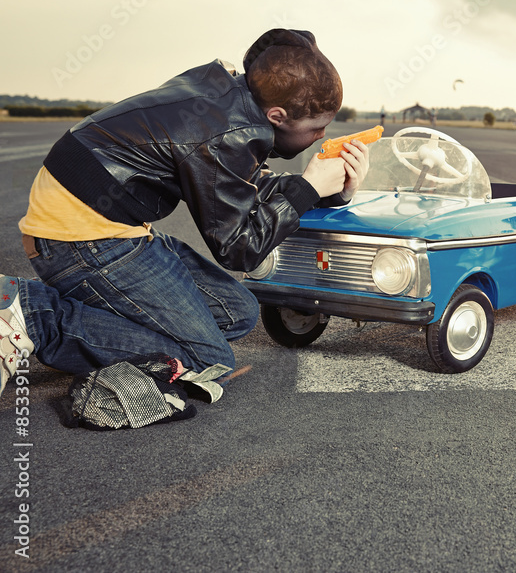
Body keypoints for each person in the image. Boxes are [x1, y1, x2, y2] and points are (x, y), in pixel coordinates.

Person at [2, 28, 370, 399]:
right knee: (207, 361)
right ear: (276, 115)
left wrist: (333, 190)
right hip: (80, 241)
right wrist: (306, 188)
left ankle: (94, 310)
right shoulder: (226, 134)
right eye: (316, 128)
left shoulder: (226, 91)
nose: (322, 136)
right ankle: (33, 316)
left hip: (103, 221)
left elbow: (245, 186)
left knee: (236, 311)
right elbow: (238, 248)